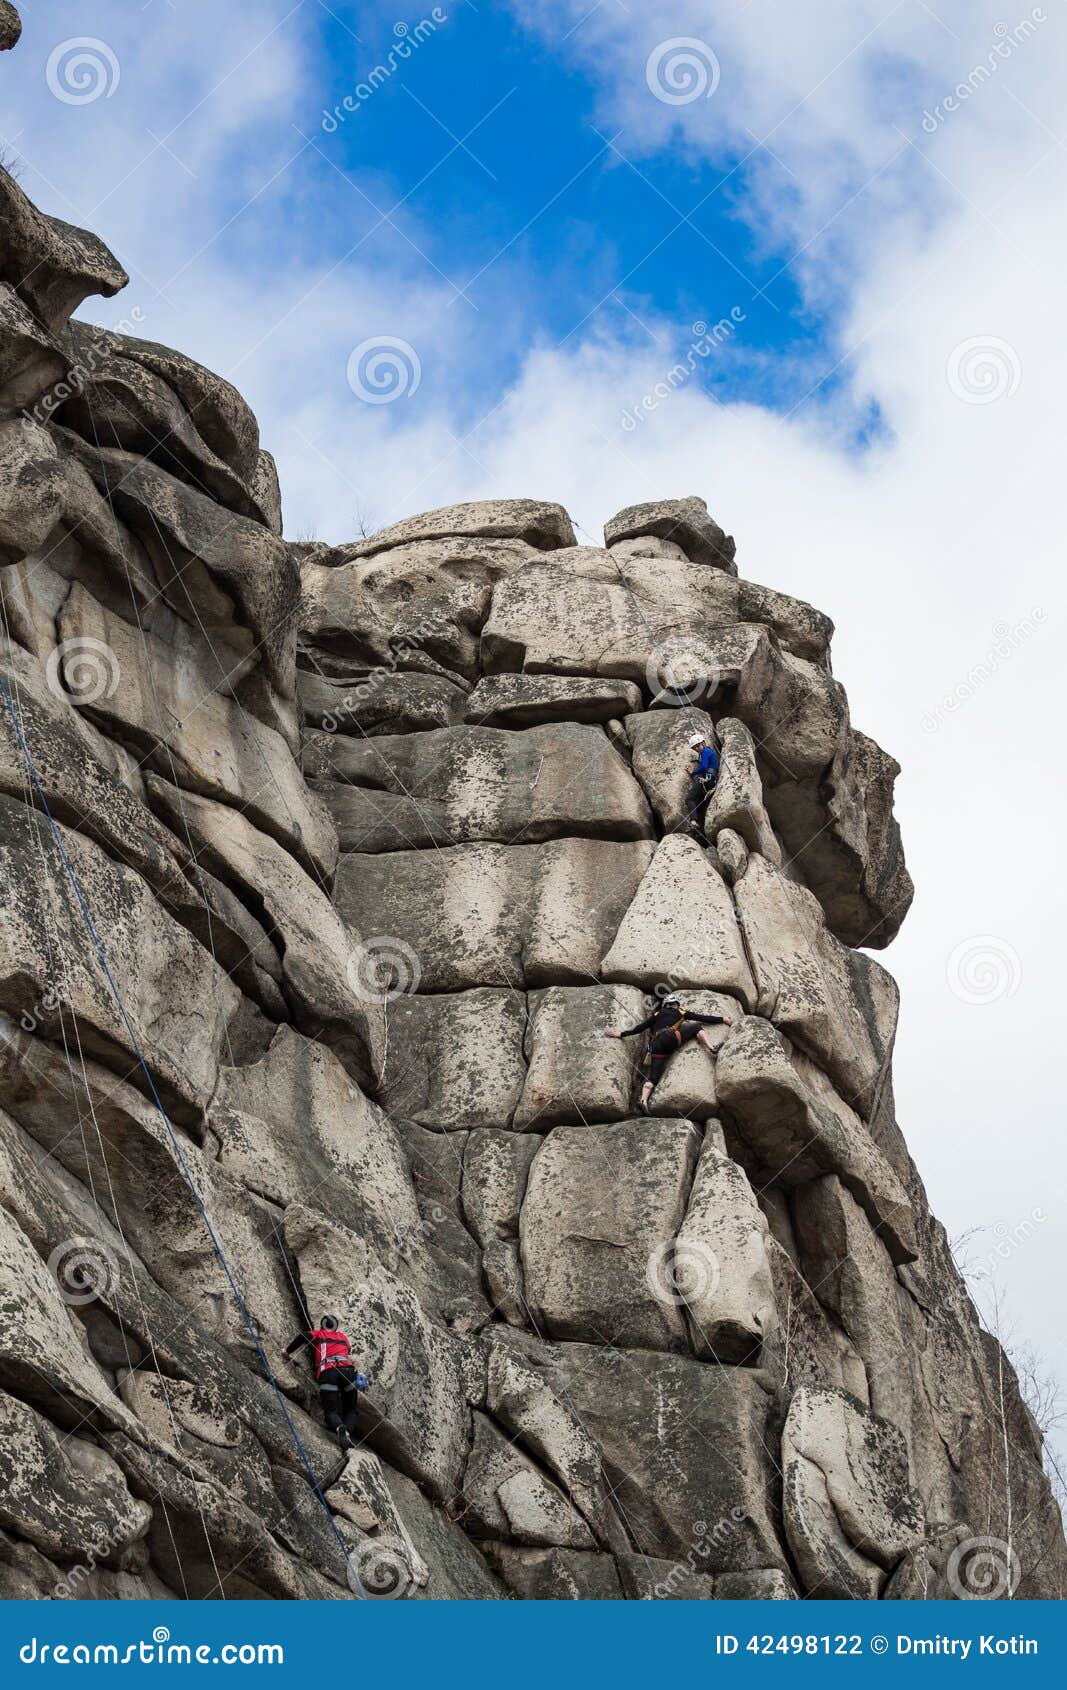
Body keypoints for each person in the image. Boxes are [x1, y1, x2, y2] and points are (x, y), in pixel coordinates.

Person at [605, 994, 733, 1115]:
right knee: (695, 1027)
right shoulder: (680, 1012)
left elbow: (641, 1027)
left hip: (656, 1047)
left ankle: (643, 1100)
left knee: (653, 1078)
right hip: (670, 1037)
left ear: (665, 1005)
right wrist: (722, 1019)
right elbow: (702, 1018)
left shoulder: (657, 1014)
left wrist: (621, 1034)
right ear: (675, 1004)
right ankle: (711, 1048)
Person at [285, 1315, 369, 1451]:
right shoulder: (343, 1337)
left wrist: (287, 1352)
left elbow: (302, 1336)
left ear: (323, 1326)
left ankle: (339, 1428)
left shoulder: (319, 1334)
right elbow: (347, 1350)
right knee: (351, 1409)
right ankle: (347, 1432)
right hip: (347, 1372)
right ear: (335, 1327)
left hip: (328, 1371)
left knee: (331, 1410)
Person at [684, 731, 720, 842]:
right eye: (695, 748)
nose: (697, 749)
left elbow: (704, 767)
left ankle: (694, 823)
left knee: (690, 798)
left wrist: (693, 772)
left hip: (707, 779)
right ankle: (699, 832)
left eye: (698, 746)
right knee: (699, 806)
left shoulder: (705, 751)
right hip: (711, 780)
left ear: (703, 743)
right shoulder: (707, 752)